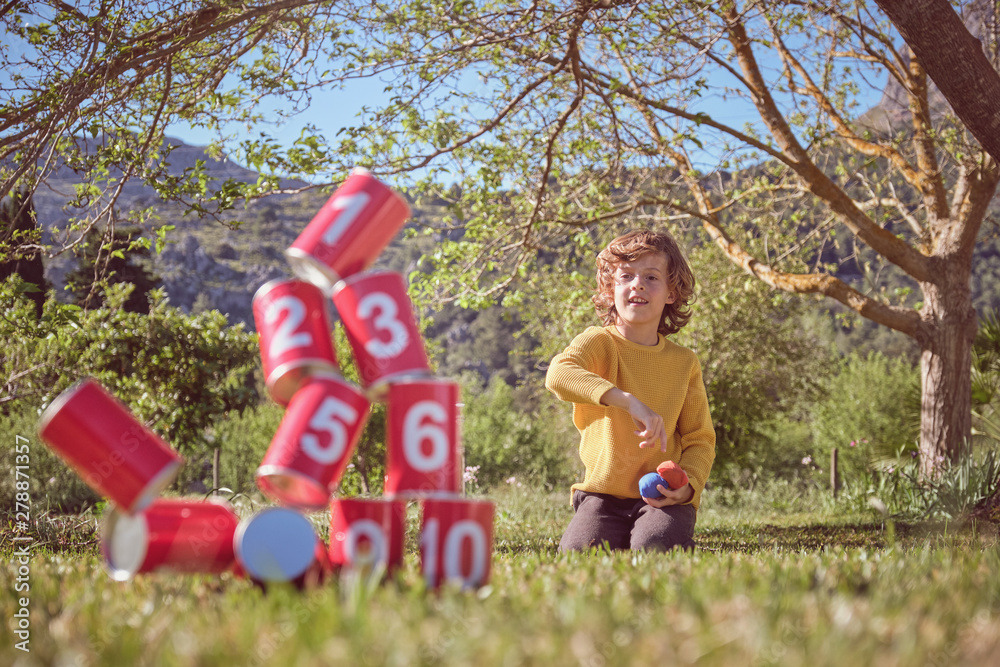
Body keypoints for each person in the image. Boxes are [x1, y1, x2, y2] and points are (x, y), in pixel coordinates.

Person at [545, 229, 716, 552]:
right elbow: (558, 374)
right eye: (626, 276)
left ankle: (666, 537)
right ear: (611, 289)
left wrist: (689, 487)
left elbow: (700, 439)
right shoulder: (598, 341)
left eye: (651, 277)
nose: (637, 284)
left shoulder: (684, 362)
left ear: (671, 293)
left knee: (654, 544)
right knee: (580, 554)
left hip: (662, 498)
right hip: (601, 496)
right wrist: (626, 401)